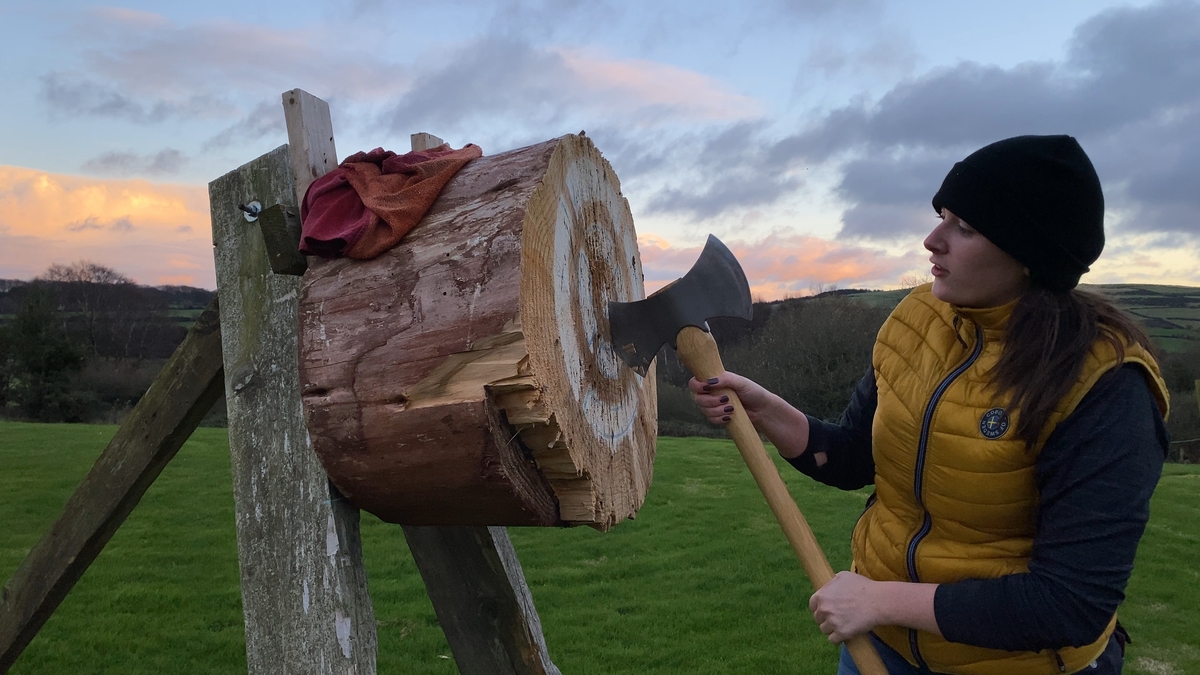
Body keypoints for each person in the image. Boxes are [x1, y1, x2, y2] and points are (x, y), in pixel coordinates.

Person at [688, 135, 1170, 675]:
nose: (931, 240)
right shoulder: (918, 319)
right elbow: (854, 458)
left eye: (964, 227)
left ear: (1029, 255)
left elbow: (1070, 603)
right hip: (880, 648)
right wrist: (768, 411)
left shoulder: (1104, 386)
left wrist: (880, 600)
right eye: (942, 216)